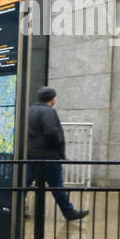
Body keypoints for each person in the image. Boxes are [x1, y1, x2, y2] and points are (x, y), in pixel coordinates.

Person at [26, 87, 89, 222]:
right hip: (48, 156)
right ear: (52, 98)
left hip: (30, 154)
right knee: (56, 185)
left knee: (24, 184)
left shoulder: (30, 110)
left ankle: (16, 208)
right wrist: (59, 148)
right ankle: (69, 212)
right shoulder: (49, 111)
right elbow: (51, 132)